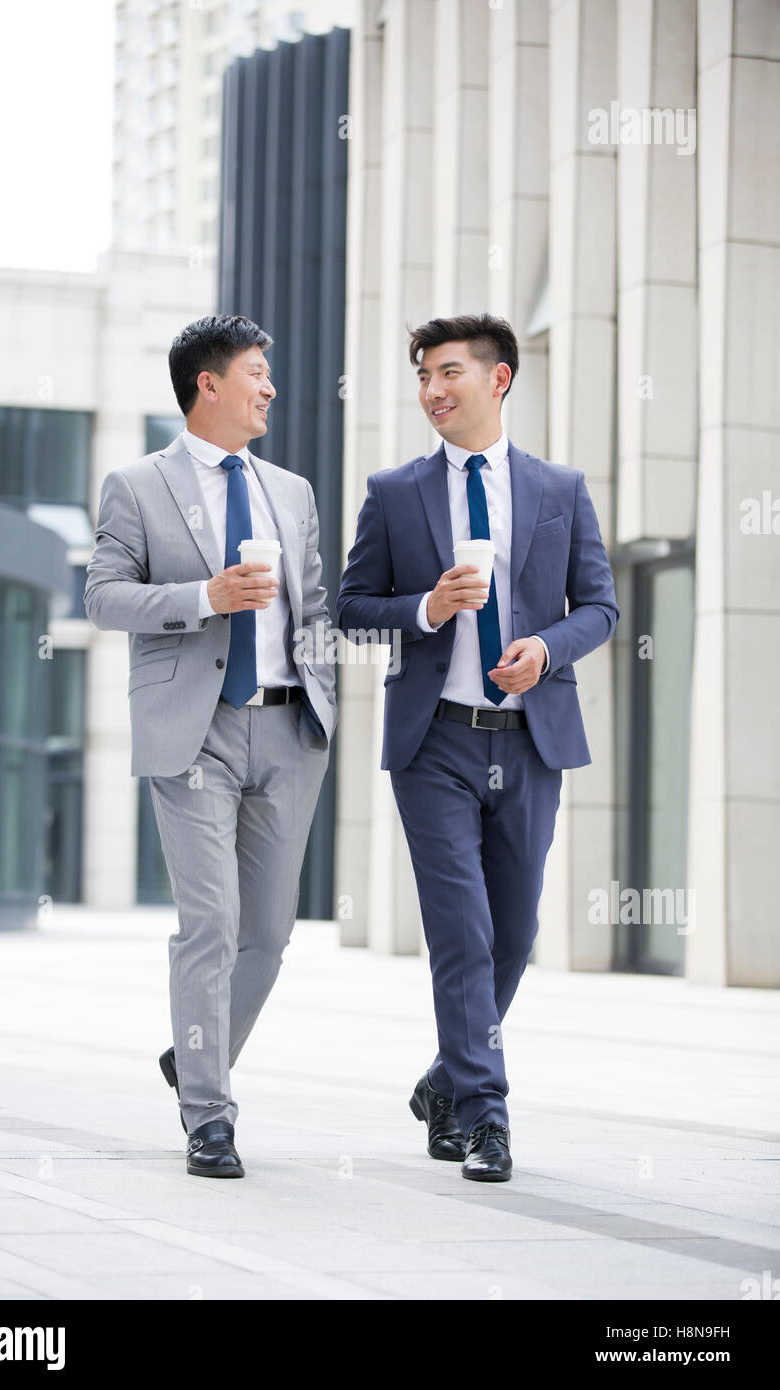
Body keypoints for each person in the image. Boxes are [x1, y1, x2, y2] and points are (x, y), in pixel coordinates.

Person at [336, 313, 618, 1182]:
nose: (432, 389)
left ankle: (444, 1082)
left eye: (448, 372)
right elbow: (350, 608)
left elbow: (599, 608)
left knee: (516, 931)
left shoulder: (561, 490)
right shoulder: (394, 492)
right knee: (461, 932)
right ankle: (486, 1116)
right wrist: (426, 606)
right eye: (423, 375)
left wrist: (547, 649)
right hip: (437, 746)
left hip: (530, 741)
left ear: (498, 380)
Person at [84, 314, 337, 1178]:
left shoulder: (292, 492)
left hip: (288, 728)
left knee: (268, 932)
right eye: (257, 374)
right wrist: (206, 594)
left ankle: (195, 1056)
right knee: (212, 922)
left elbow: (315, 607)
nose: (270, 389)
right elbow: (105, 598)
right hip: (193, 729)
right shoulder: (137, 484)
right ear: (209, 384)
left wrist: (326, 693)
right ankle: (208, 1113)